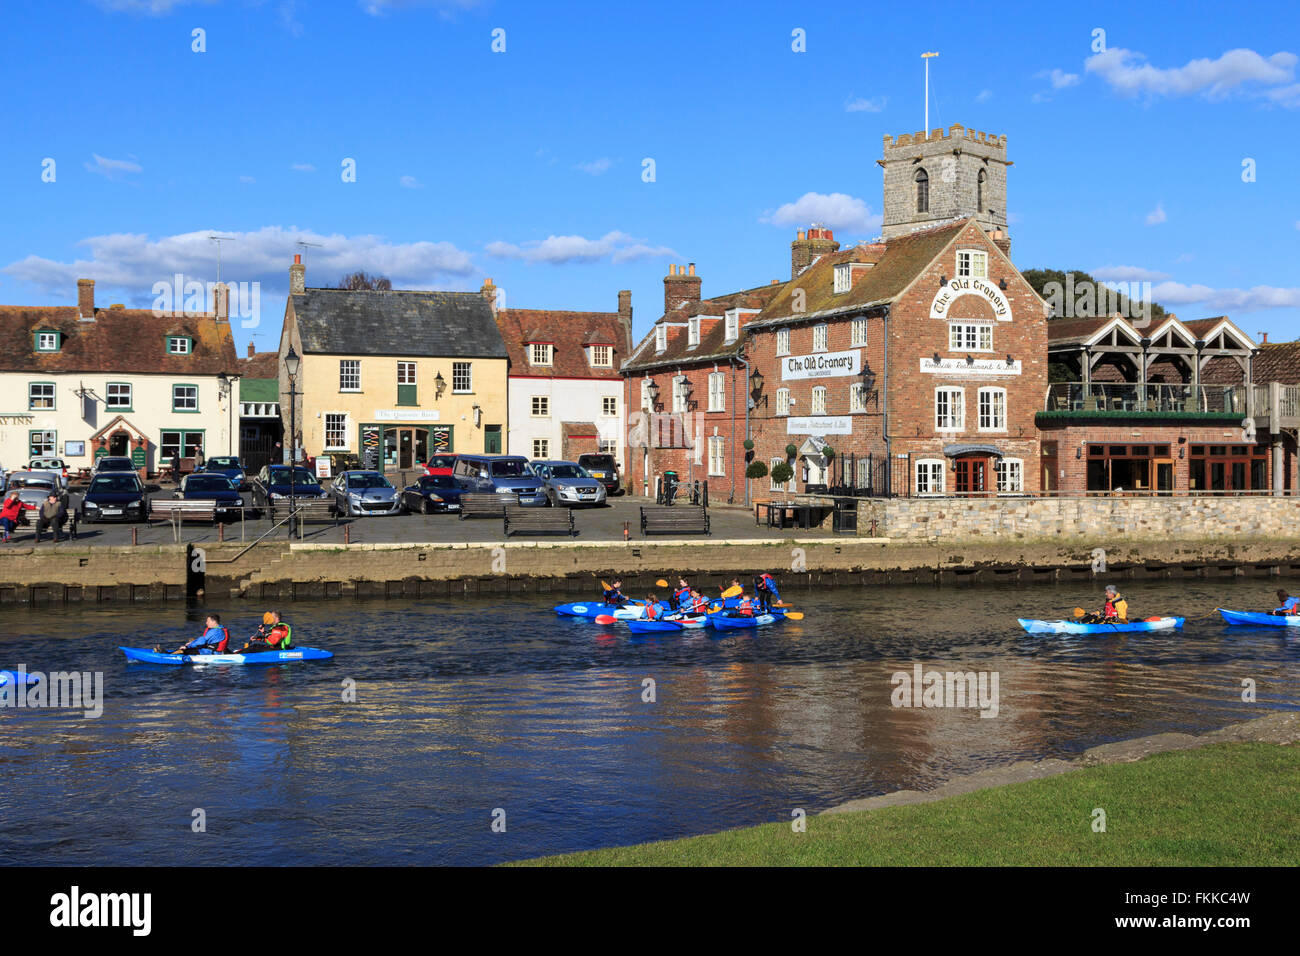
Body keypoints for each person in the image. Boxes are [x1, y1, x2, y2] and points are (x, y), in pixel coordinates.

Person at [160, 614, 230, 655]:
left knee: (184, 651)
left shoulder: (215, 631)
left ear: (213, 621)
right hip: (214, 651)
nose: (206, 623)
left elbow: (202, 641)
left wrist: (188, 646)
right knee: (192, 642)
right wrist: (192, 642)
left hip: (210, 653)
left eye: (207, 621)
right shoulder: (220, 629)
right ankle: (171, 652)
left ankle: (167, 654)